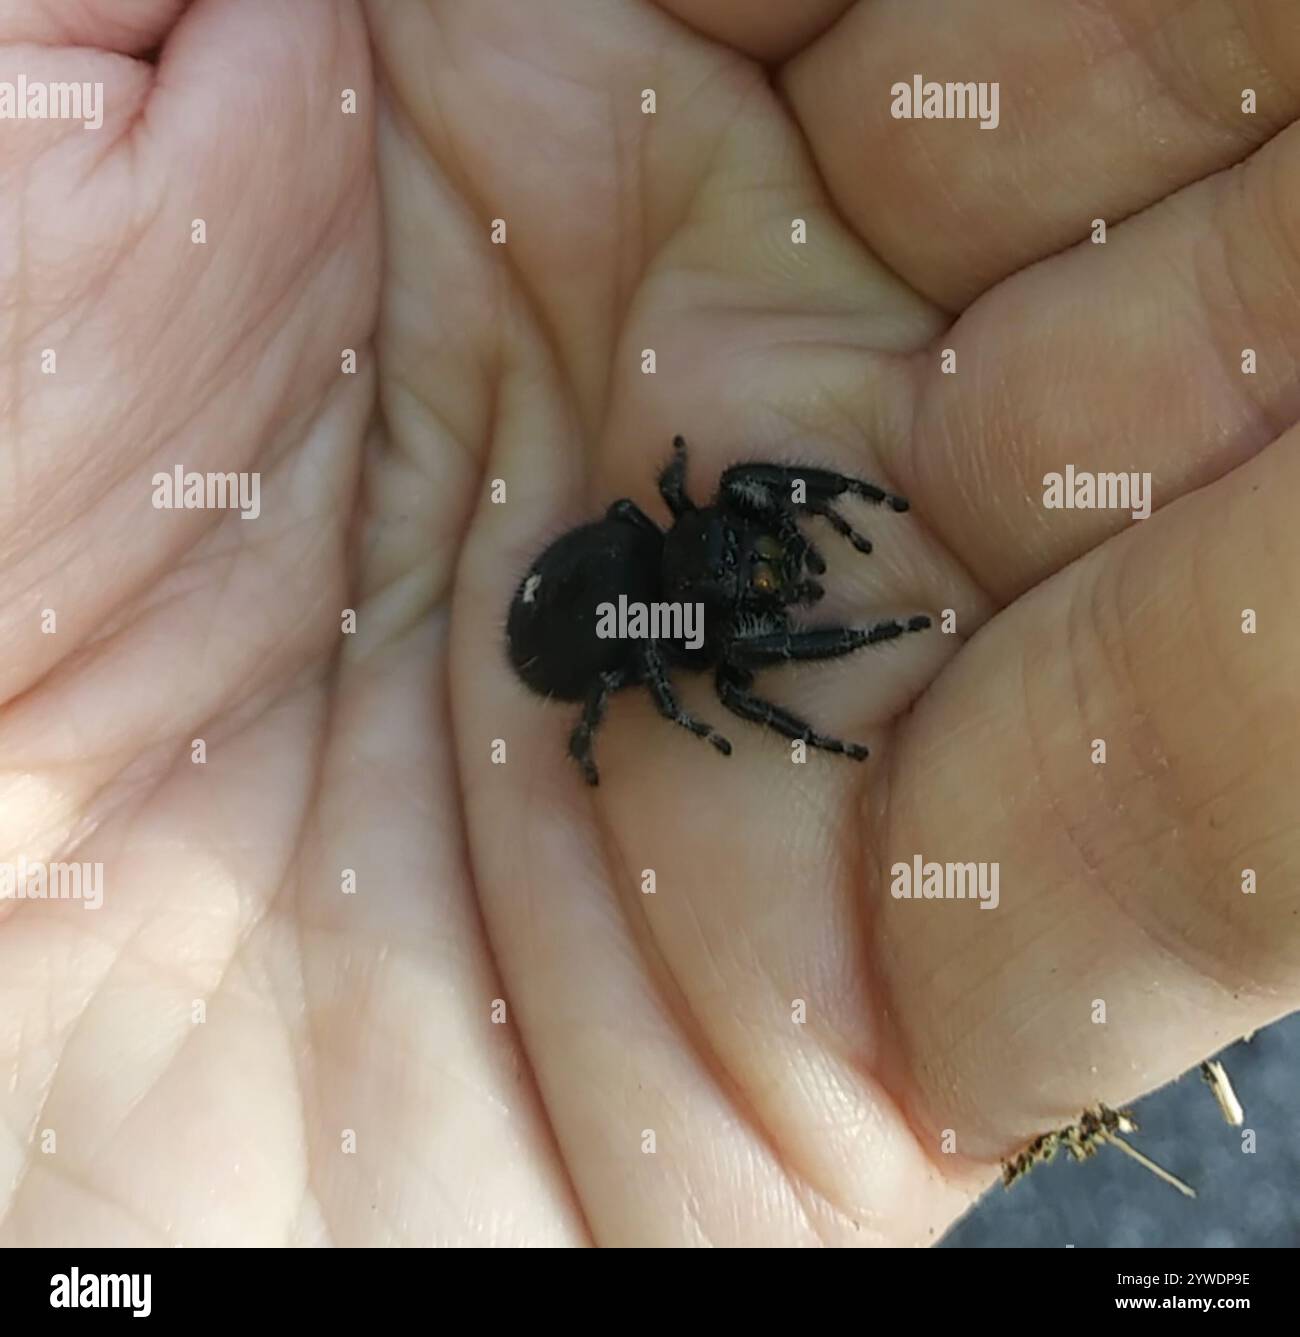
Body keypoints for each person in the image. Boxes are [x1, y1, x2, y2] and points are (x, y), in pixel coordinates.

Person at [0, 0, 1295, 1247]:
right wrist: (831, 692)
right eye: (769, 568)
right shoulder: (673, 624)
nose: (781, 568)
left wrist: (844, 532)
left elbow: (720, 591)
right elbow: (706, 690)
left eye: (781, 554)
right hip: (570, 634)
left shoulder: (686, 539)